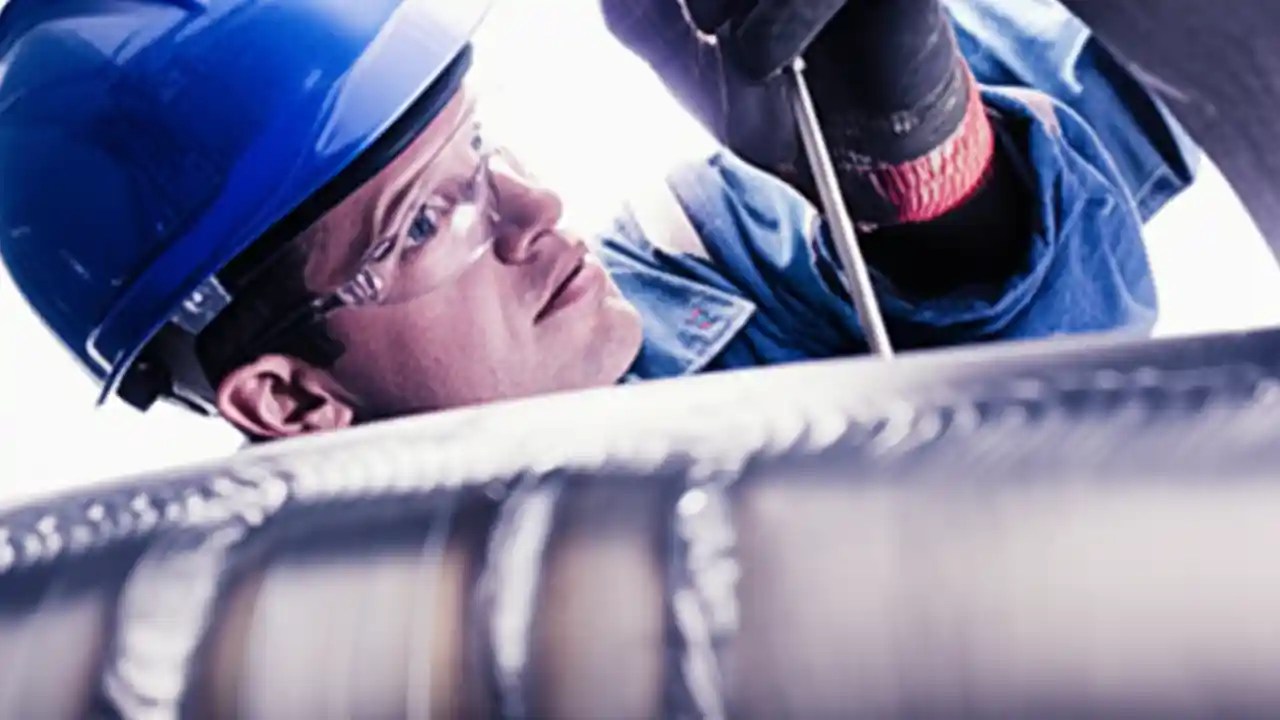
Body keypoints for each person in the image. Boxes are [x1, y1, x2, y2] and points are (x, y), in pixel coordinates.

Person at [0, 0, 1195, 441]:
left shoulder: (696, 262)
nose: (534, 210)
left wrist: (913, 156)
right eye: (428, 223)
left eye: (484, 154)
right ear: (292, 399)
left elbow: (1149, 114)